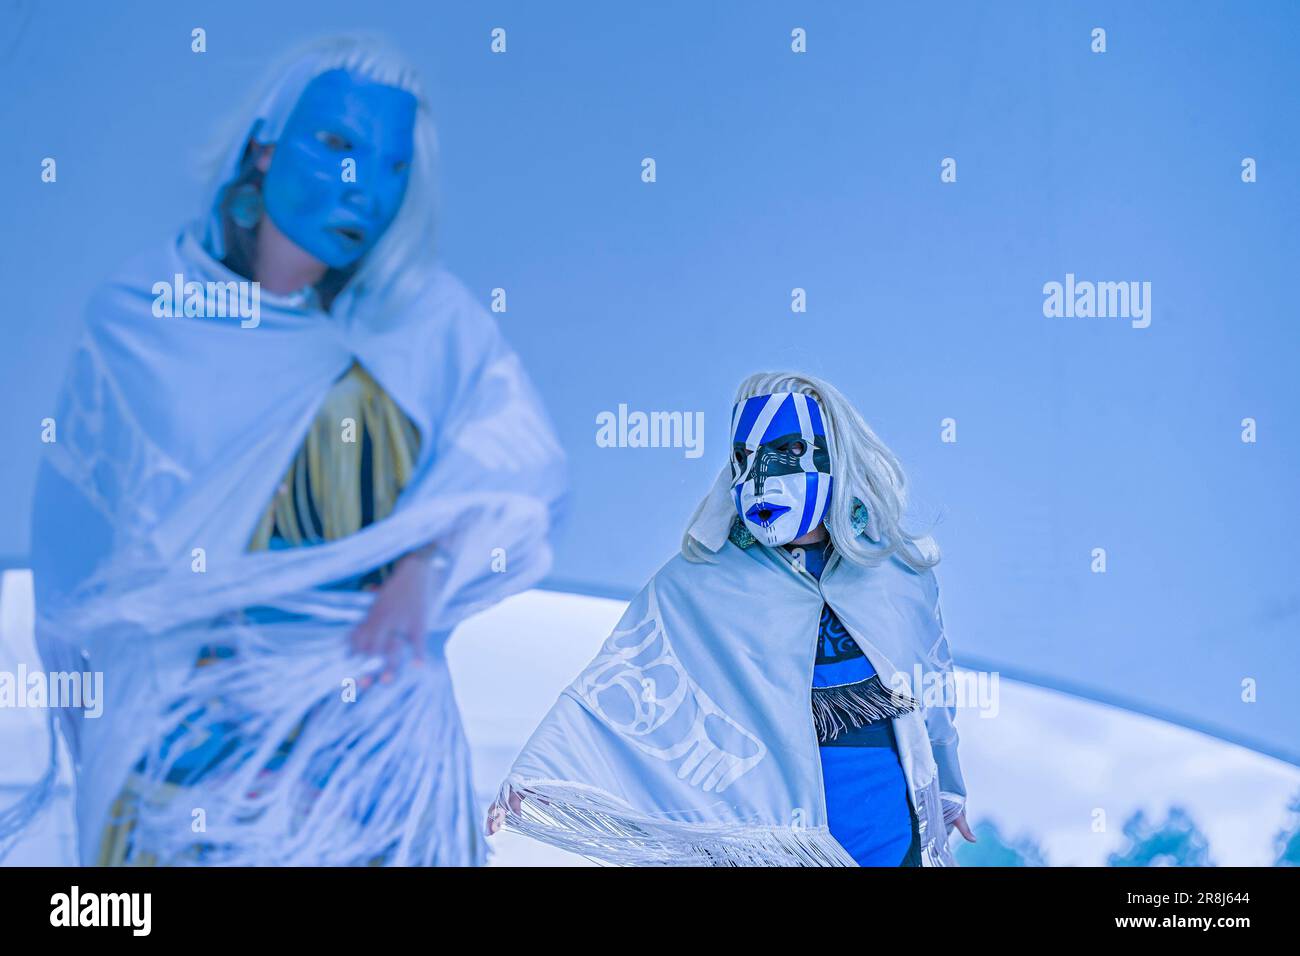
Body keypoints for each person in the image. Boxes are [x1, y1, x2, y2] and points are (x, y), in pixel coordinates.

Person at [11, 35, 565, 866]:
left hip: (376, 756)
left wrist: (422, 565)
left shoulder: (430, 328)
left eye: (390, 166)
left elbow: (520, 471)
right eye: (337, 144)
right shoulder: (141, 318)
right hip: (188, 753)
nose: (363, 188)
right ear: (263, 147)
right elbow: (81, 554)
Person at [489, 372, 972, 865]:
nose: (761, 476)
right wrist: (540, 773)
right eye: (746, 458)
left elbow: (929, 689)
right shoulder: (700, 581)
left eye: (785, 451)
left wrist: (948, 793)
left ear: (832, 456)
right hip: (770, 839)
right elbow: (619, 682)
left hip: (889, 832)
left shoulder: (892, 573)